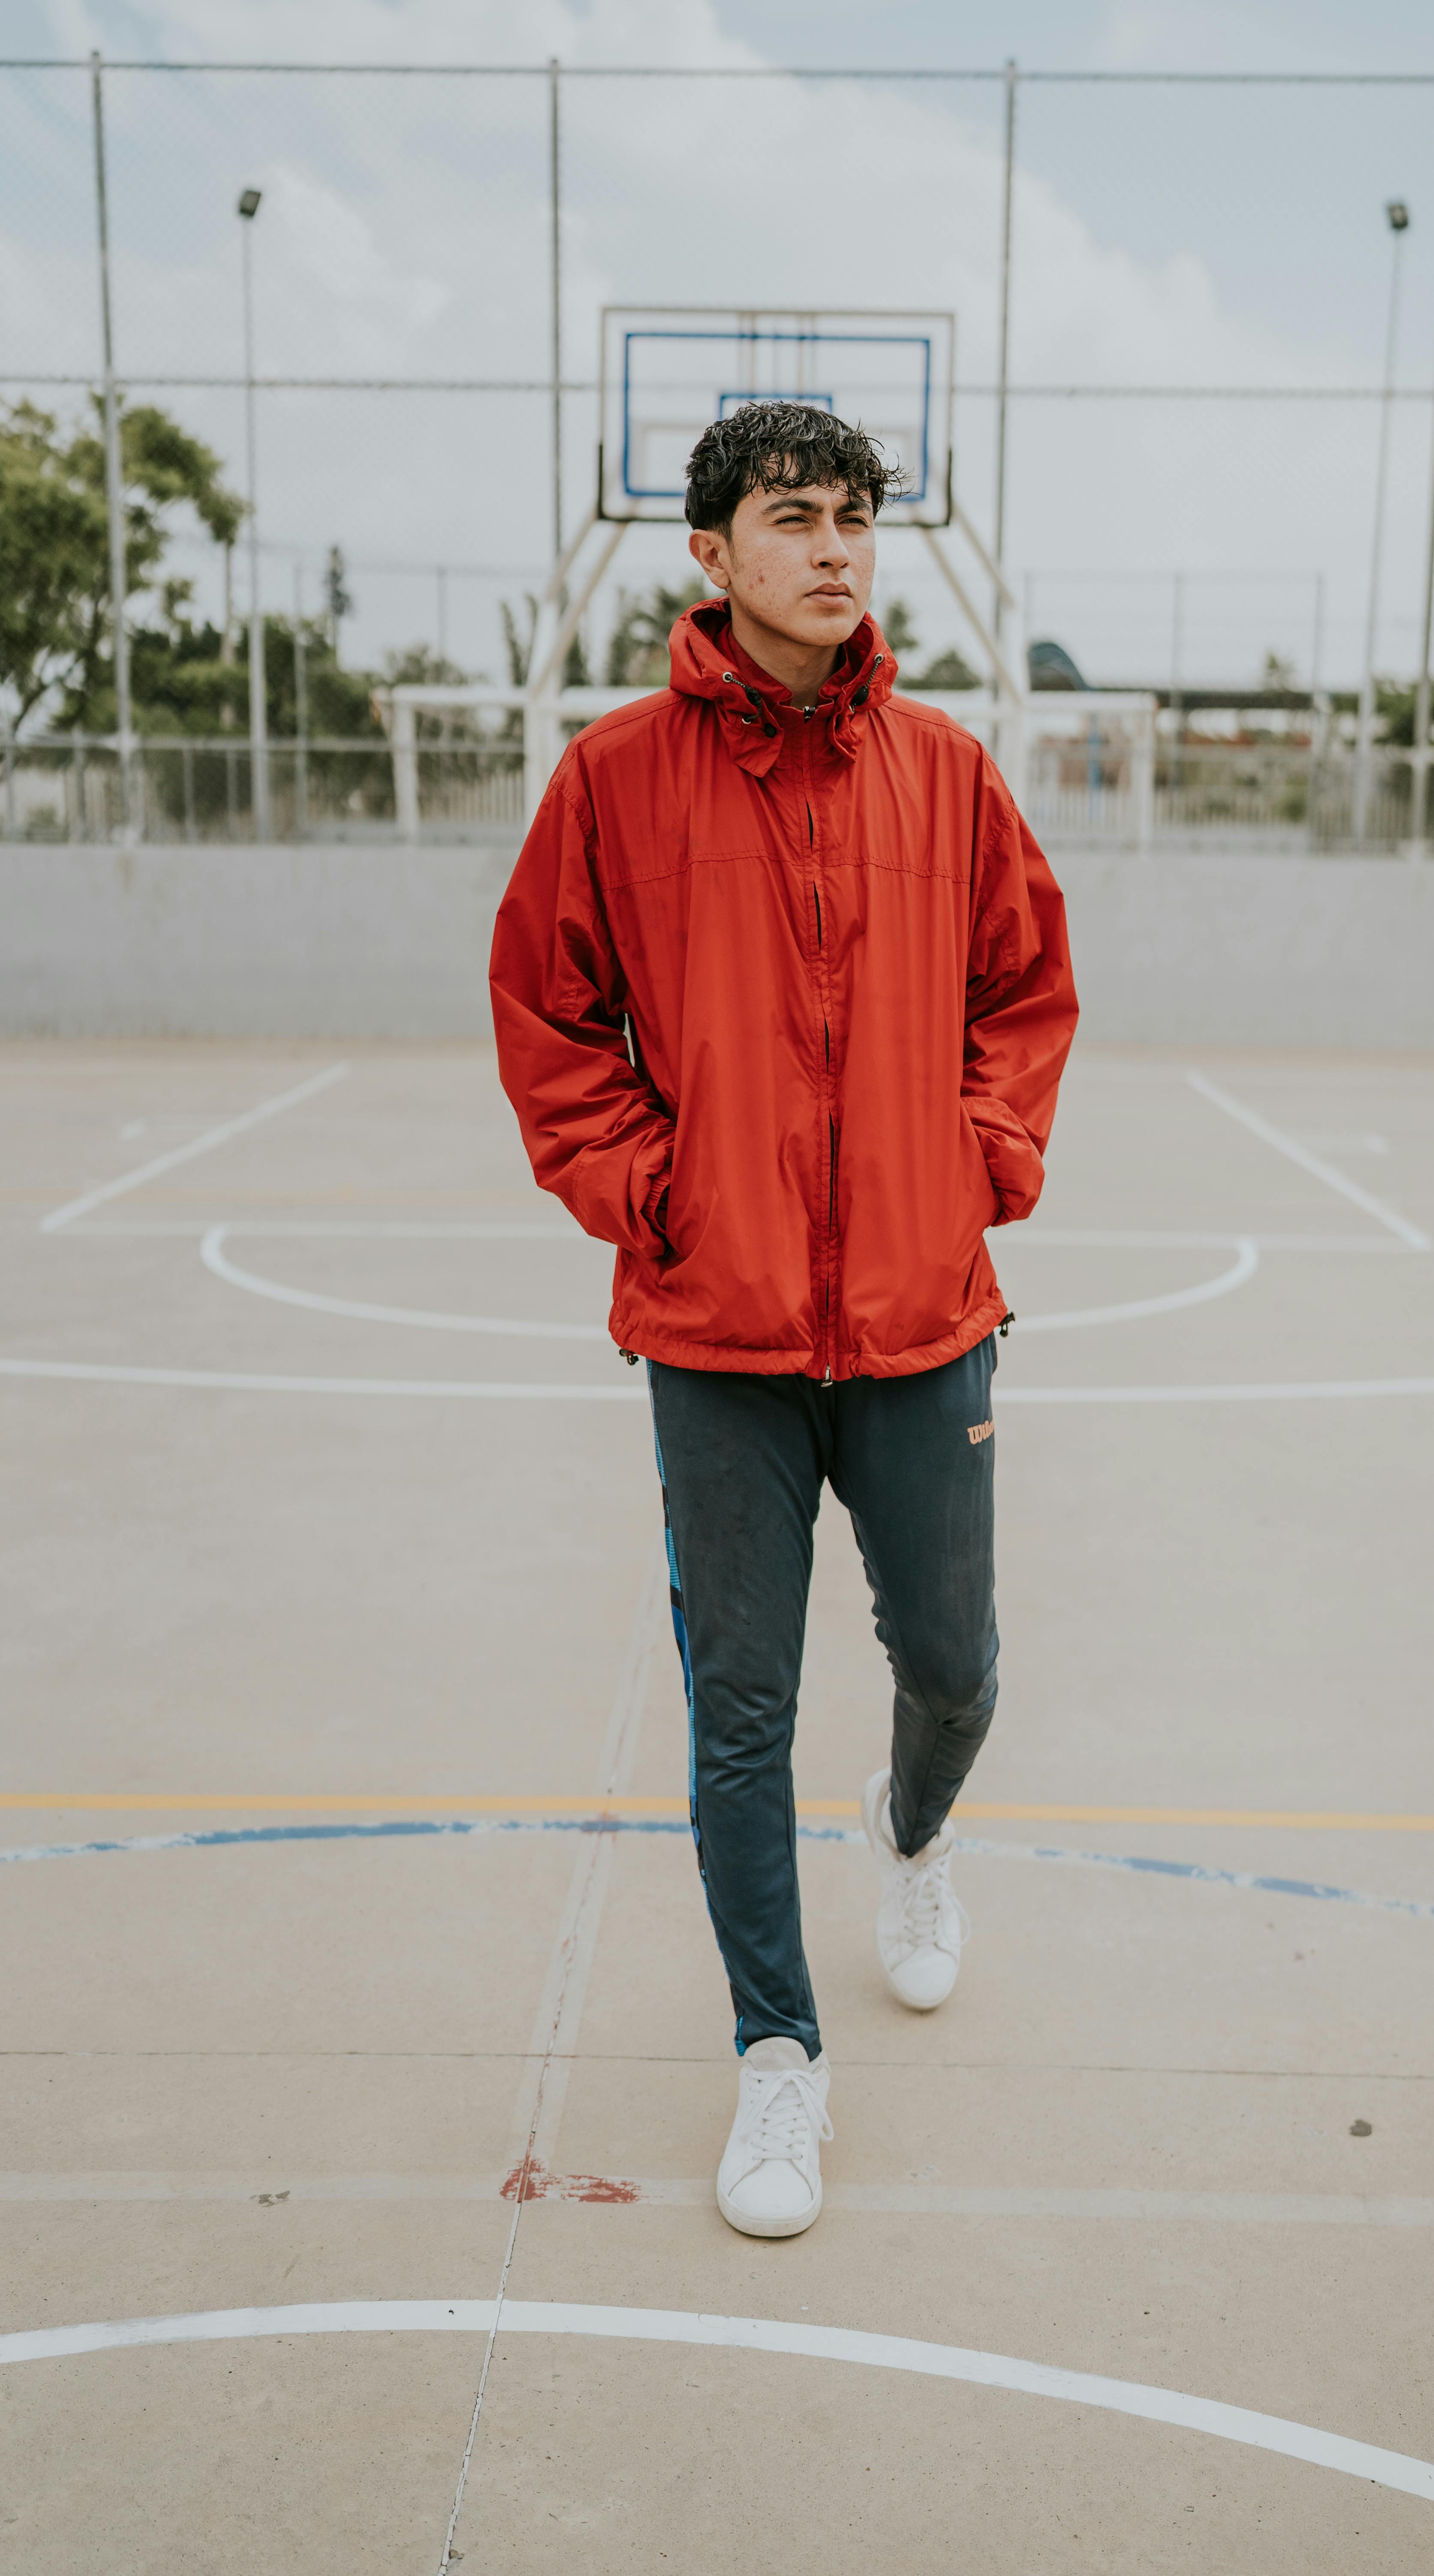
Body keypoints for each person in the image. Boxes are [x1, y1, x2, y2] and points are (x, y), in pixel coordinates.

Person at [491, 402, 1077, 2237]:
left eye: (855, 521)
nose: (835, 550)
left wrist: (977, 1160)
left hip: (922, 1315)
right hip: (717, 1335)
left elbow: (1024, 991)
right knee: (738, 1714)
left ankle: (910, 1830)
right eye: (794, 518)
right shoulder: (613, 780)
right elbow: (550, 1020)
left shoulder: (948, 775)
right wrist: (651, 1190)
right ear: (711, 551)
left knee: (957, 1666)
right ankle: (777, 2057)